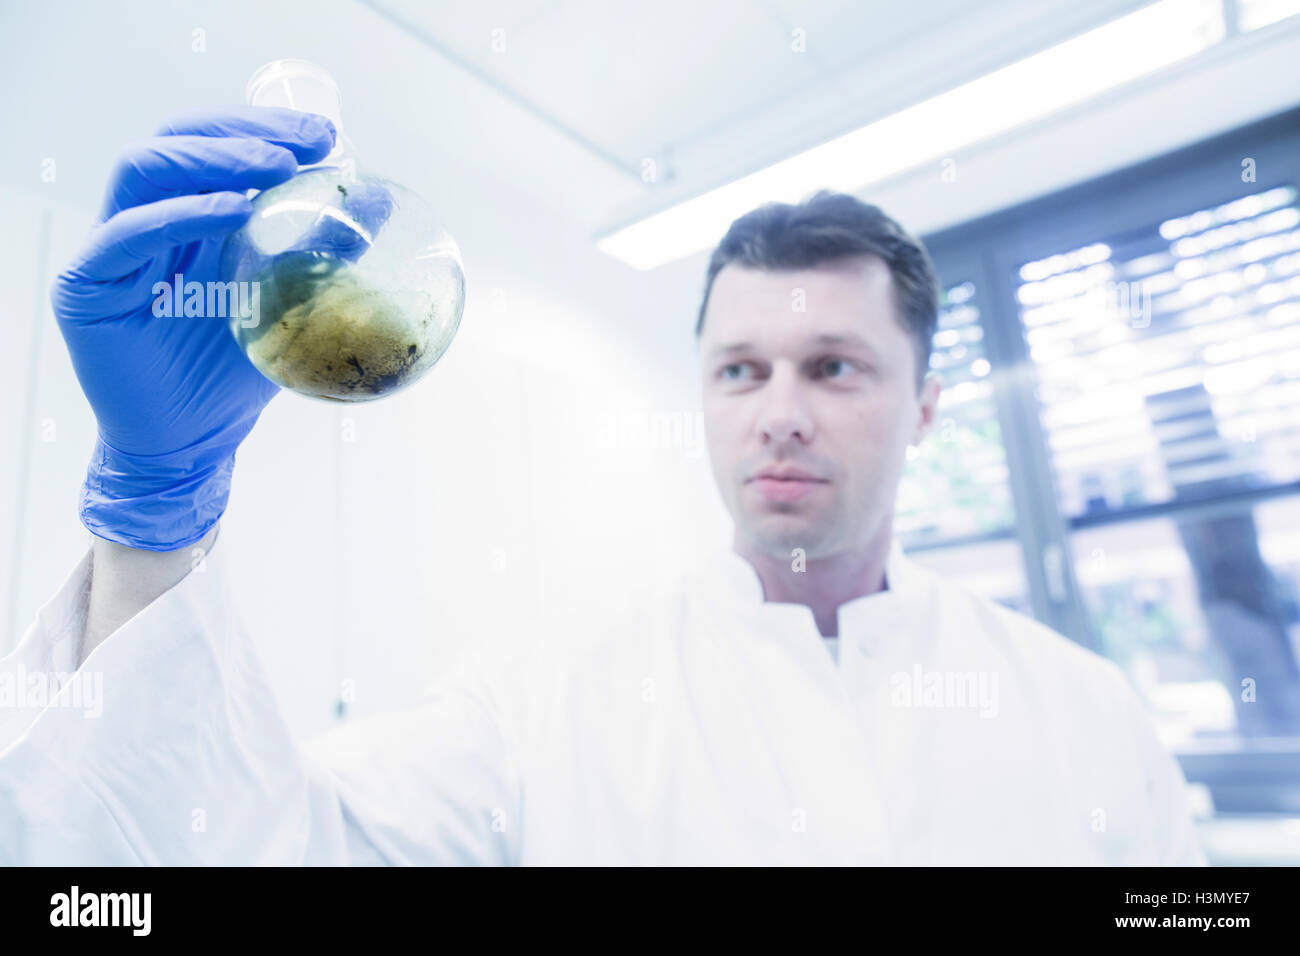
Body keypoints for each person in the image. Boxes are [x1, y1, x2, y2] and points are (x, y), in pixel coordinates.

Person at [0, 108, 1205, 865]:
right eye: (741, 367)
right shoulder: (540, 699)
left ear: (927, 408)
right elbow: (251, 851)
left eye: (833, 366)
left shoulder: (1082, 712)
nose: (778, 406)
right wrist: (159, 507)